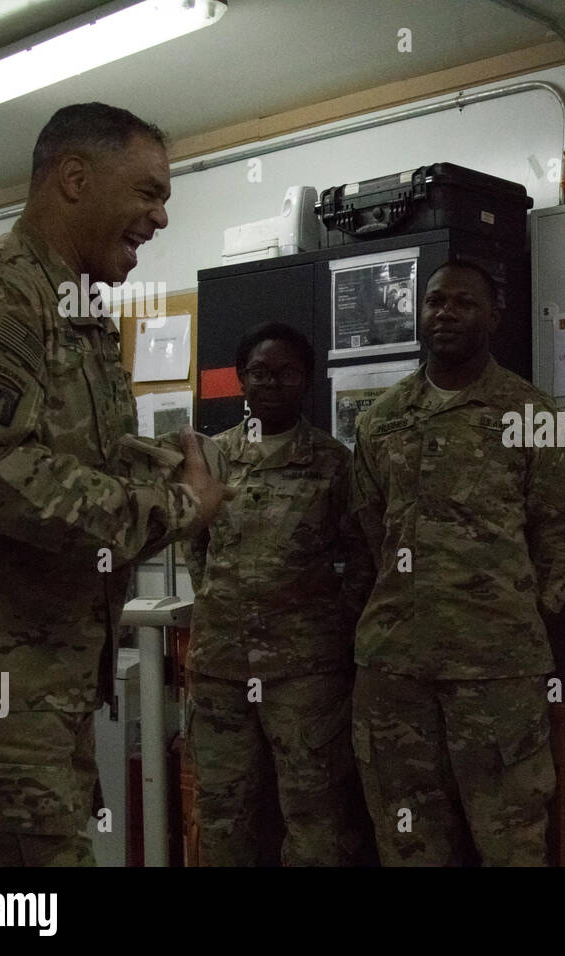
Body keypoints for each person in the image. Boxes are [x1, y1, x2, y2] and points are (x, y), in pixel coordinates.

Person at [0, 103, 233, 867]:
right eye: (148, 193)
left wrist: (166, 464)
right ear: (76, 178)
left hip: (39, 688)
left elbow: (76, 458)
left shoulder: (75, 313)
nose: (160, 216)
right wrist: (180, 504)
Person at [347, 259, 565, 865]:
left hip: (496, 670)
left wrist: (514, 620)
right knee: (407, 837)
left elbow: (560, 540)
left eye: (463, 303)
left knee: (510, 838)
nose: (445, 314)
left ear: (495, 316)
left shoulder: (535, 418)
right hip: (394, 665)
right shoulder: (382, 419)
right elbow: (370, 530)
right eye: (433, 302)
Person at [183, 322, 372, 866]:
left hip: (305, 672)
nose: (271, 382)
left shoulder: (334, 463)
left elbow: (361, 555)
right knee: (222, 809)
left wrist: (332, 624)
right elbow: (195, 543)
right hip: (222, 667)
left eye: (286, 372)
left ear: (306, 380)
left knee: (315, 813)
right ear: (242, 379)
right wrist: (224, 601)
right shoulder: (212, 458)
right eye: (260, 372)